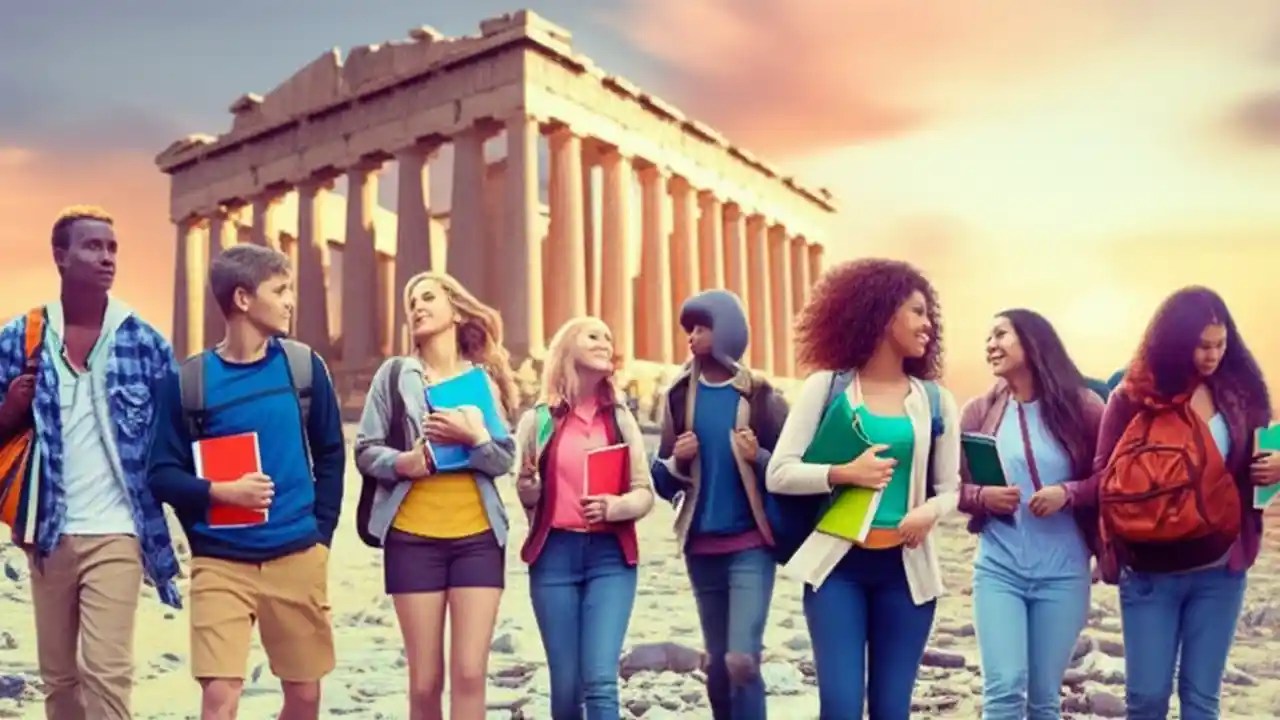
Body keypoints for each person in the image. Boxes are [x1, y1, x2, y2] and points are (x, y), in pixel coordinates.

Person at [148, 244, 345, 720]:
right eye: (279, 291)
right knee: (219, 700)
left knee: (304, 698)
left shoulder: (303, 368)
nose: (290, 301)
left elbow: (332, 455)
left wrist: (320, 536)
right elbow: (161, 474)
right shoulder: (188, 382)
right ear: (242, 299)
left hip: (297, 555)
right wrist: (219, 493)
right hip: (220, 565)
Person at [0, 206, 182, 720]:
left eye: (112, 248)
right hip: (48, 532)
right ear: (60, 256)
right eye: (92, 247)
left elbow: (175, 440)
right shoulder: (21, 338)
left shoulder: (145, 343)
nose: (106, 258)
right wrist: (12, 409)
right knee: (59, 681)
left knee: (107, 676)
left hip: (119, 533)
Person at [766, 258, 962, 720]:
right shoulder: (827, 387)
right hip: (839, 571)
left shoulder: (935, 400)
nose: (927, 324)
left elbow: (950, 489)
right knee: (839, 706)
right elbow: (780, 472)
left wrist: (929, 513)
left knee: (892, 710)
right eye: (916, 311)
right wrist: (842, 473)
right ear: (881, 312)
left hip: (906, 573)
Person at [1093, 286, 1276, 720]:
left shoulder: (1241, 395)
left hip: (1221, 570)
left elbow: (1259, 472)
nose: (1212, 355)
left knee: (1201, 701)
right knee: (1147, 699)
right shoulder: (1133, 395)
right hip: (1150, 570)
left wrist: (1275, 471)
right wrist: (1105, 551)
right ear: (1174, 341)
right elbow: (1104, 475)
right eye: (1201, 345)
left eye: (1220, 344)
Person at [354, 270, 519, 720]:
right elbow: (366, 450)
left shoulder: (482, 381)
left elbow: (504, 458)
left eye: (427, 297)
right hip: (412, 539)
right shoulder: (393, 375)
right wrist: (405, 463)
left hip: (478, 538)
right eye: (411, 303)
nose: (418, 307)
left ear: (455, 309)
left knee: (470, 674)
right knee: (425, 682)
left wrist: (475, 437)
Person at [958, 310, 1105, 719]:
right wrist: (983, 496)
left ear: (1033, 340)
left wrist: (1068, 493)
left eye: (1001, 334)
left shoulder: (1084, 406)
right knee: (1003, 689)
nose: (991, 344)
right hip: (998, 568)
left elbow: (1110, 479)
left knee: (1043, 698)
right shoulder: (979, 412)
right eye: (987, 336)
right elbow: (953, 489)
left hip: (1064, 572)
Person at [651, 289, 788, 720]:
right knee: (716, 666)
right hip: (700, 546)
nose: (692, 337)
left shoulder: (763, 396)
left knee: (741, 660)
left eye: (702, 328)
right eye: (689, 329)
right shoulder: (676, 395)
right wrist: (678, 460)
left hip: (751, 545)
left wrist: (759, 458)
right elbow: (660, 479)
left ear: (727, 330)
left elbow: (793, 471)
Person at [514, 316, 655, 720]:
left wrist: (616, 507)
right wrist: (529, 485)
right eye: (593, 335)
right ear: (566, 348)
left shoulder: (621, 419)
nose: (605, 343)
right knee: (565, 686)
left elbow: (644, 492)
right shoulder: (537, 420)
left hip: (611, 558)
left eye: (609, 338)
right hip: (553, 556)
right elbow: (528, 500)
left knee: (599, 679)